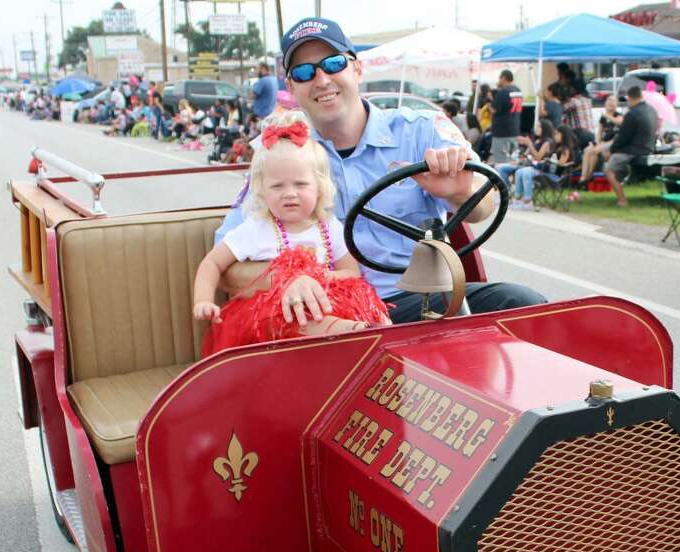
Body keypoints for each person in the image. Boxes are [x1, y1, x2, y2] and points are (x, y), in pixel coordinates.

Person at [215, 16, 544, 327]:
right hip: (330, 312)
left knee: (524, 305)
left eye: (334, 64)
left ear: (357, 68)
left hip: (420, 299)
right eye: (304, 72)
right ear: (291, 85)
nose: (322, 80)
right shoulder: (281, 154)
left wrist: (460, 193)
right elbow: (227, 269)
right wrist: (290, 279)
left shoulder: (420, 131)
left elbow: (484, 206)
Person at [192, 112, 390, 355]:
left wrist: (319, 278)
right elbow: (212, 263)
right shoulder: (256, 228)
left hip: (324, 301)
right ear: (261, 191)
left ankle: (375, 333)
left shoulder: (329, 226)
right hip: (272, 318)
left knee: (365, 303)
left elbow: (351, 272)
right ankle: (354, 332)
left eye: (300, 184)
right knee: (295, 316)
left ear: (319, 187)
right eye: (277, 186)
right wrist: (203, 300)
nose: (289, 193)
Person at [590, 86, 656, 208]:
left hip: (633, 150)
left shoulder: (632, 114)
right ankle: (621, 177)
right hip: (648, 147)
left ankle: (622, 201)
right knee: (615, 164)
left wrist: (611, 151)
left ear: (630, 98)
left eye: (628, 100)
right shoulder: (652, 110)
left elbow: (622, 138)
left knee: (609, 171)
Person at [510, 124, 578, 210]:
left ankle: (528, 201)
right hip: (545, 171)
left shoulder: (565, 149)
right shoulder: (557, 146)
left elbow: (560, 164)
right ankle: (518, 199)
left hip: (554, 175)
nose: (555, 136)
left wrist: (550, 161)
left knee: (527, 173)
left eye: (557, 134)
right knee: (519, 172)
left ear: (563, 135)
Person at [490, 70, 523, 164]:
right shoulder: (518, 91)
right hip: (514, 130)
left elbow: (494, 109)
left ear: (503, 78)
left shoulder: (503, 92)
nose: (498, 80)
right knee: (513, 160)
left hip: (502, 131)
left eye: (499, 78)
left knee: (501, 161)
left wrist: (489, 104)